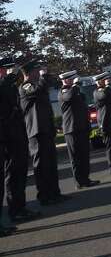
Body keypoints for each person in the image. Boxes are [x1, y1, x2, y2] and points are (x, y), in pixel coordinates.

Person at [19, 58, 66, 206]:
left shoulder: (39, 84)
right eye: (36, 71)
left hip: (46, 128)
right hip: (36, 131)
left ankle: (55, 193)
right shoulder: (25, 86)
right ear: (30, 73)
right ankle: (44, 195)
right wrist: (44, 77)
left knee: (51, 163)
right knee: (41, 165)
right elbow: (37, 90)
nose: (39, 73)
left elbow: (46, 87)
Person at [1, 54, 37, 224]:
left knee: (20, 173)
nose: (13, 71)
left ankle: (20, 207)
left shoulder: (8, 85)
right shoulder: (4, 85)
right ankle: (15, 210)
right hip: (9, 137)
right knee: (13, 174)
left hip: (17, 135)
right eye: (9, 68)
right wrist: (9, 78)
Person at [59, 71, 100, 188]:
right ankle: (79, 181)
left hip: (82, 128)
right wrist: (75, 87)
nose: (74, 82)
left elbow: (82, 102)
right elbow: (68, 97)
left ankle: (86, 179)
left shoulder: (75, 91)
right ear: (66, 80)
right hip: (72, 129)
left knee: (84, 155)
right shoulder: (64, 91)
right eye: (72, 80)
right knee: (76, 157)